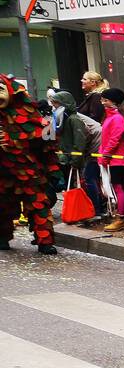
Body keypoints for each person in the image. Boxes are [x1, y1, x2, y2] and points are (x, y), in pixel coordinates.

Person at [0, 75, 61, 255]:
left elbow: (48, 139)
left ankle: (45, 241)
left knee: (38, 205)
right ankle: (2, 237)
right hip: (2, 174)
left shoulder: (28, 114)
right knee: (2, 206)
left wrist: (54, 169)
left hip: (28, 171)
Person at [98, 88, 124, 232]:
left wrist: (105, 155)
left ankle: (121, 218)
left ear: (113, 101)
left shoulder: (117, 118)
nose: (102, 102)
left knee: (119, 188)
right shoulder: (114, 116)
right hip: (116, 158)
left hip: (116, 158)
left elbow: (114, 139)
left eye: (105, 100)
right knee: (123, 188)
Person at [50, 90, 88, 204]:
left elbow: (79, 141)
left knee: (75, 187)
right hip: (66, 159)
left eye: (56, 103)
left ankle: (79, 209)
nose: (53, 107)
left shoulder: (74, 119)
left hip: (72, 160)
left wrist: (75, 161)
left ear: (64, 104)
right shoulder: (62, 120)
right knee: (69, 187)